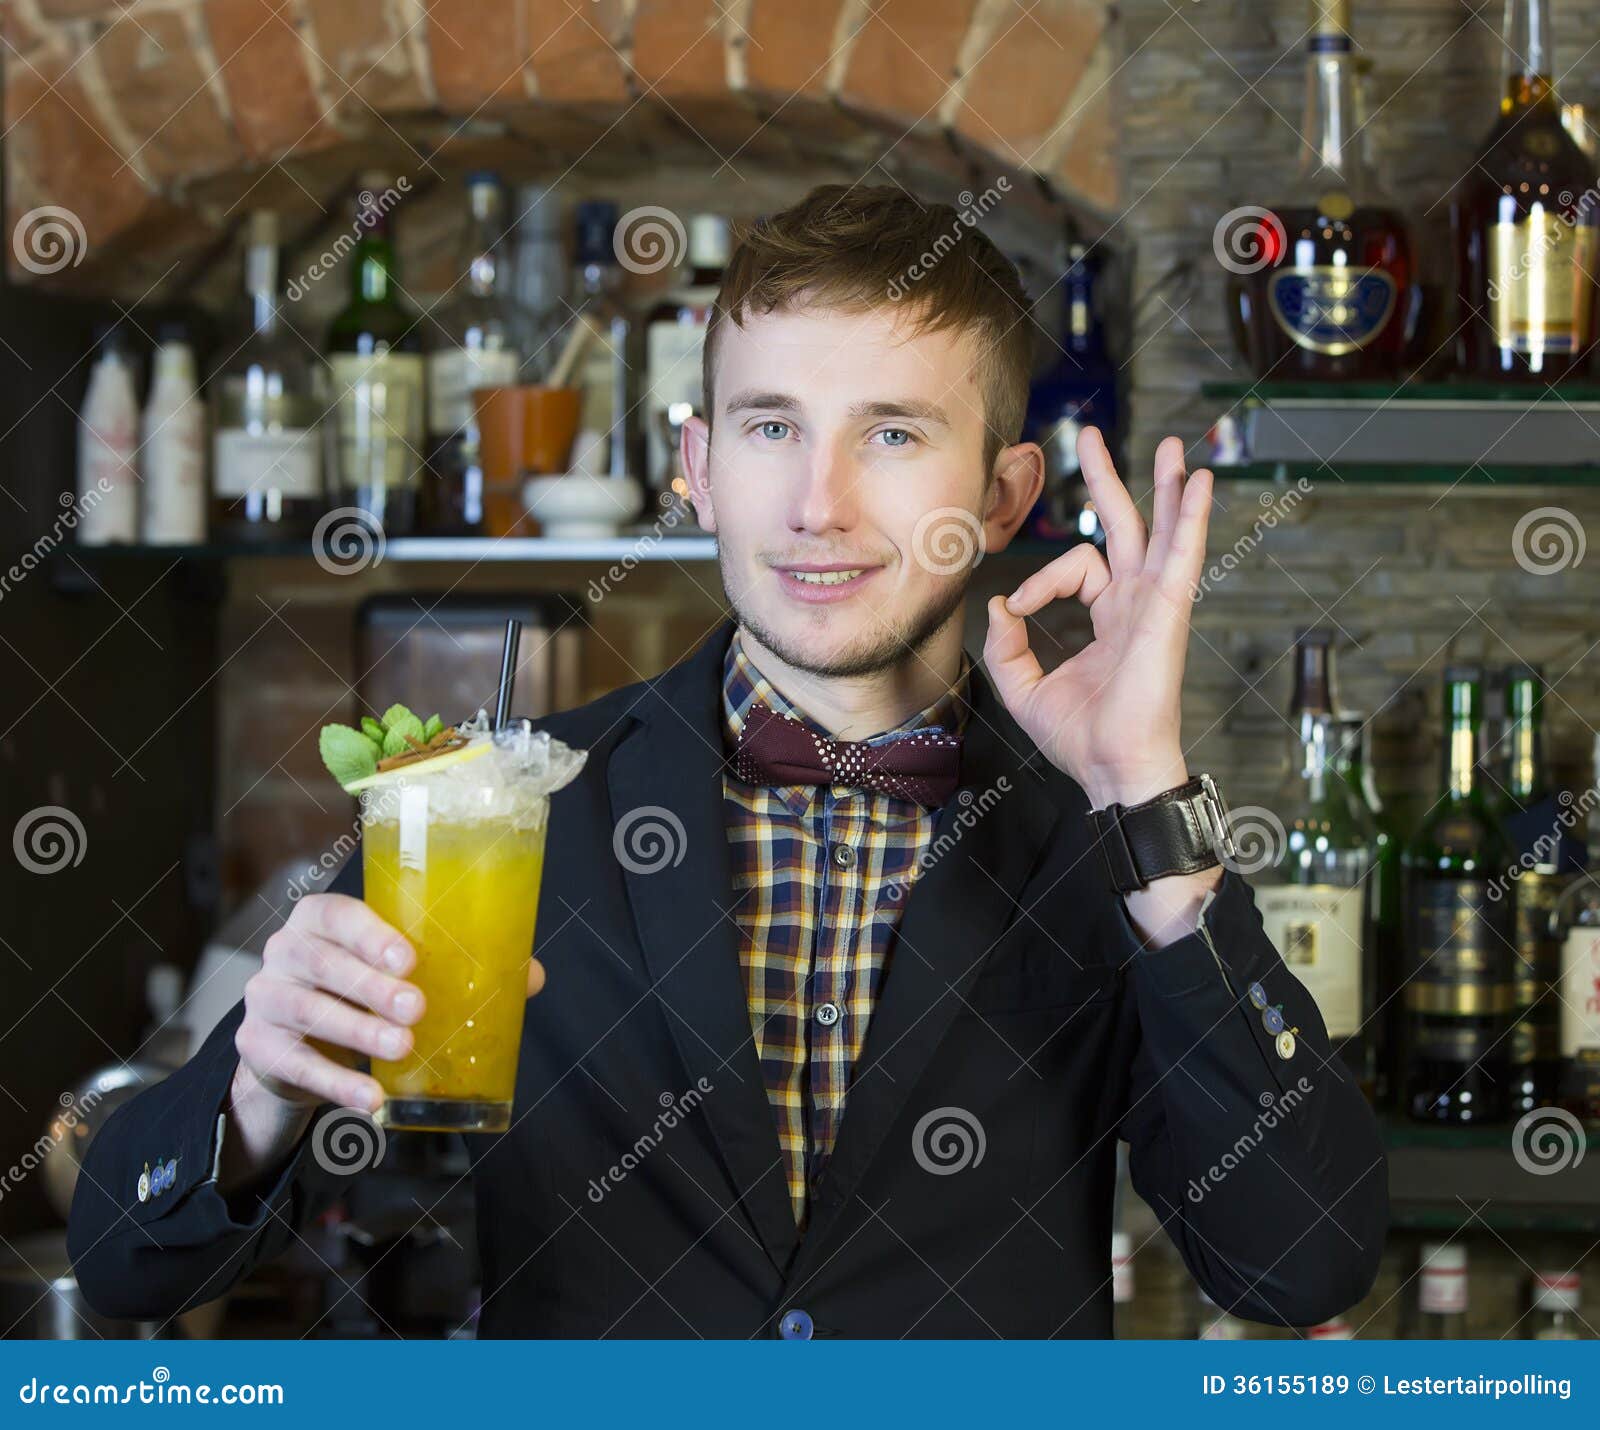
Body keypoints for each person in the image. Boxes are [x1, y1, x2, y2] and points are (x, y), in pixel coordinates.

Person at [68, 183, 1386, 1338]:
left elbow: (1301, 1259)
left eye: (892, 433)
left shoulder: (1105, 835)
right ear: (697, 466)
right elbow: (124, 1259)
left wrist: (1149, 803)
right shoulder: (488, 806)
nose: (818, 502)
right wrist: (253, 1099)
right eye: (770, 427)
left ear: (1001, 494)